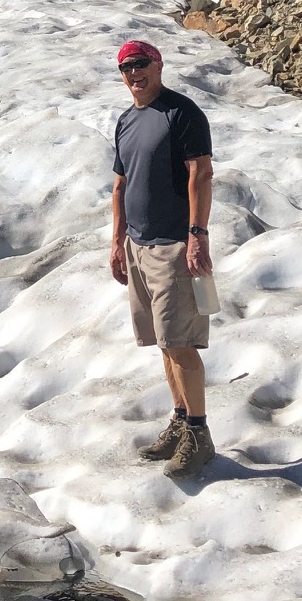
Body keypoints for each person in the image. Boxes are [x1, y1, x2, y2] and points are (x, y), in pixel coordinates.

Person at [109, 39, 216, 479]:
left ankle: (199, 433)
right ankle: (179, 419)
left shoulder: (182, 112)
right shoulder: (126, 121)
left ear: (158, 65)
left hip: (174, 245)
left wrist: (197, 235)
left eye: (141, 64)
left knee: (179, 342)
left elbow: (201, 172)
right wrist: (117, 242)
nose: (134, 73)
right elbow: (120, 184)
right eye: (126, 67)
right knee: (161, 341)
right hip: (137, 244)